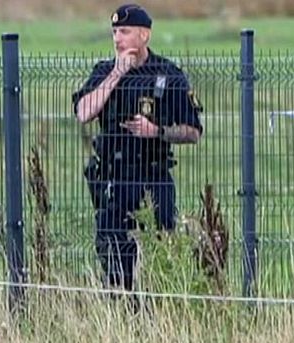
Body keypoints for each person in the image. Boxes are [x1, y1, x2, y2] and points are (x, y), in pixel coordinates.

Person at [72, 3, 203, 292]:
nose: (117, 38)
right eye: (115, 32)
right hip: (114, 180)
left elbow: (193, 131)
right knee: (114, 257)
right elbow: (83, 112)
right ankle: (120, 308)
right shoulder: (104, 71)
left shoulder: (168, 74)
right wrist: (116, 75)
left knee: (160, 251)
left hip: (153, 178)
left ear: (144, 35)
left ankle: (158, 308)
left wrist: (157, 131)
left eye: (125, 32)